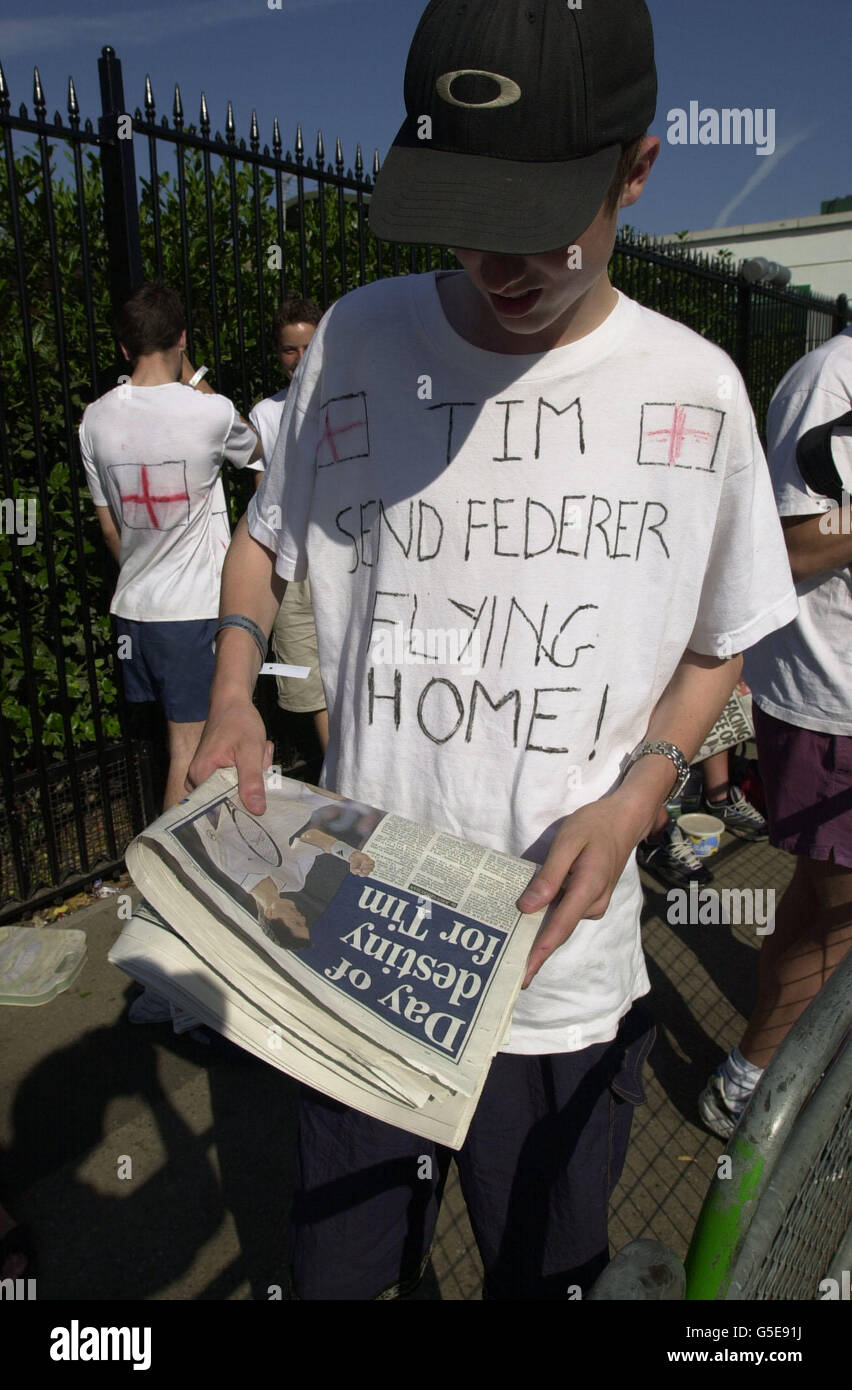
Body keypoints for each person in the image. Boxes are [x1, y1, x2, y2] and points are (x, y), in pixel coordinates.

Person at [188, 0, 797, 1299]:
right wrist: (235, 686)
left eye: (538, 223)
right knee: (343, 1270)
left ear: (635, 166)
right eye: (467, 212)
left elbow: (720, 639)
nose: (499, 261)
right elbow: (265, 537)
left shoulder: (691, 390)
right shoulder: (358, 337)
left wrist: (639, 795)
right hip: (367, 937)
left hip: (558, 976)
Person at [700, 323, 852, 1139]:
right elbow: (790, 547)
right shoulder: (832, 379)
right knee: (843, 911)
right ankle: (751, 1084)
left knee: (820, 901)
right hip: (831, 702)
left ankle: (764, 1069)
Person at [80, 283, 262, 809]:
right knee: (193, 753)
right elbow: (260, 453)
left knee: (177, 742)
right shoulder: (210, 412)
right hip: (194, 611)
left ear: (122, 348)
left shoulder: (94, 419)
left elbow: (110, 528)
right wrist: (197, 378)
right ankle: (167, 882)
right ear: (182, 339)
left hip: (135, 611)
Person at [249, 299, 329, 755]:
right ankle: (341, 784)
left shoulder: (357, 399)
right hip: (295, 565)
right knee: (308, 677)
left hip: (349, 558)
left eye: (309, 345)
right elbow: (267, 504)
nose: (299, 359)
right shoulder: (267, 414)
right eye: (288, 349)